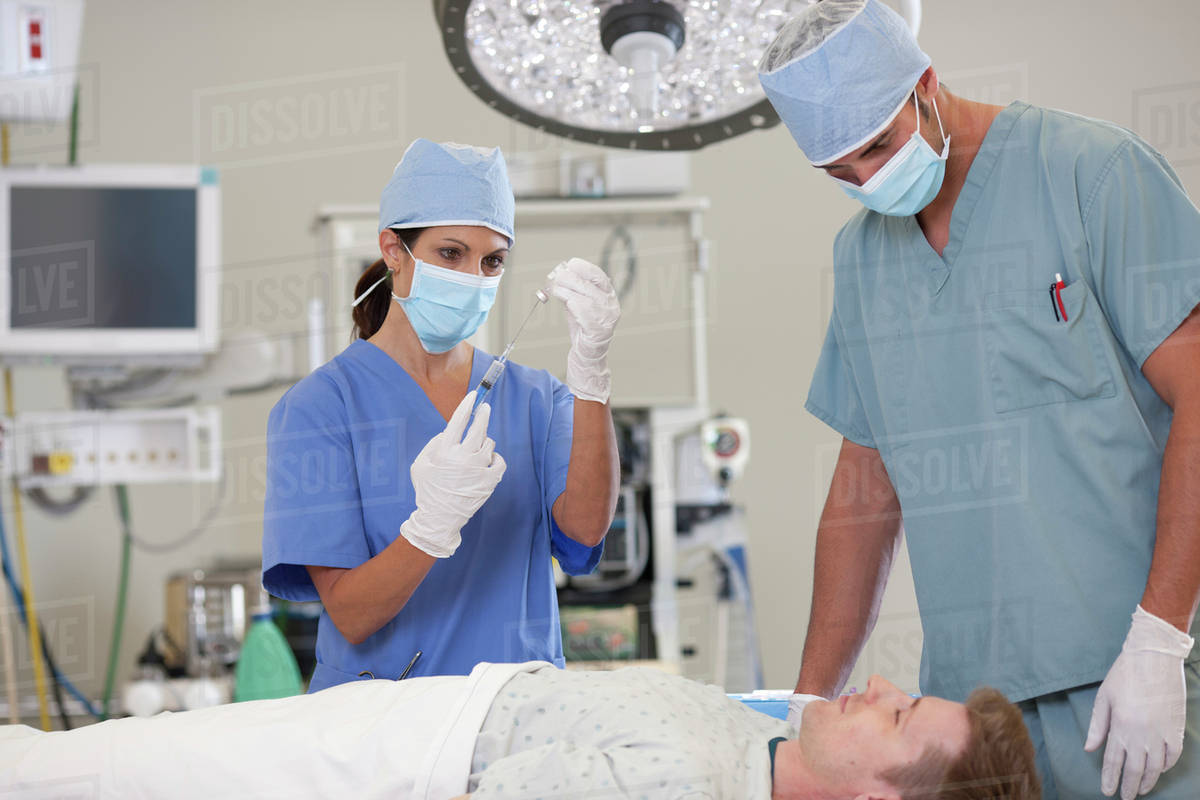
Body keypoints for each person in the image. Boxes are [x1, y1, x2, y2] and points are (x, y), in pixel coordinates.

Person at [755, 2, 1200, 799]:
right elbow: (865, 489)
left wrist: (1162, 638)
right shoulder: (862, 261)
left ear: (924, 85)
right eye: (838, 175)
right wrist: (806, 707)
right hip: (970, 720)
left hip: (1145, 679)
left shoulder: (1088, 172)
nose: (866, 182)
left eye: (878, 147)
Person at [261, 139, 622, 691]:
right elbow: (352, 615)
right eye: (450, 254)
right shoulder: (322, 407)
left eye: (492, 260)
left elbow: (584, 529)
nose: (473, 276)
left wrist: (591, 380)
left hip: (515, 714)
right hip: (381, 725)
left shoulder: (535, 397)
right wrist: (430, 527)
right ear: (393, 250)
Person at [0, 663, 1040, 800]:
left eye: (899, 713)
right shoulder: (760, 736)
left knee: (81, 771)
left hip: (381, 762)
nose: (883, 686)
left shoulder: (687, 782)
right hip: (402, 716)